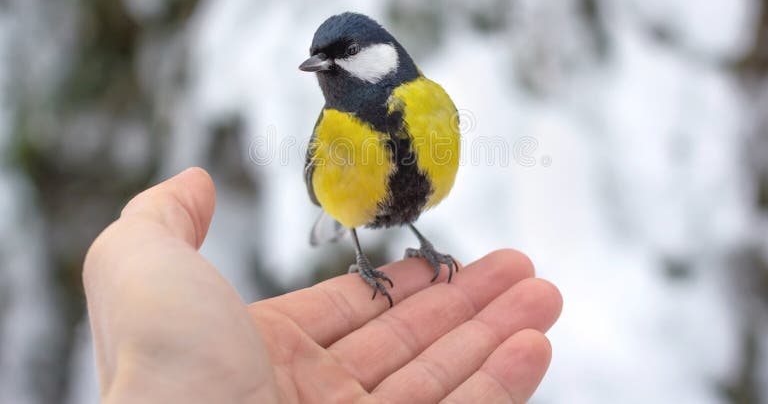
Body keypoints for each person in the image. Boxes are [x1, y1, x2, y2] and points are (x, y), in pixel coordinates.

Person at [83, 168, 562, 403]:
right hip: (351, 209)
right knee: (355, 220)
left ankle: (417, 241)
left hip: (411, 202)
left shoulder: (428, 103)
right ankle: (358, 251)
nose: (323, 67)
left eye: (343, 54)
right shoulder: (336, 127)